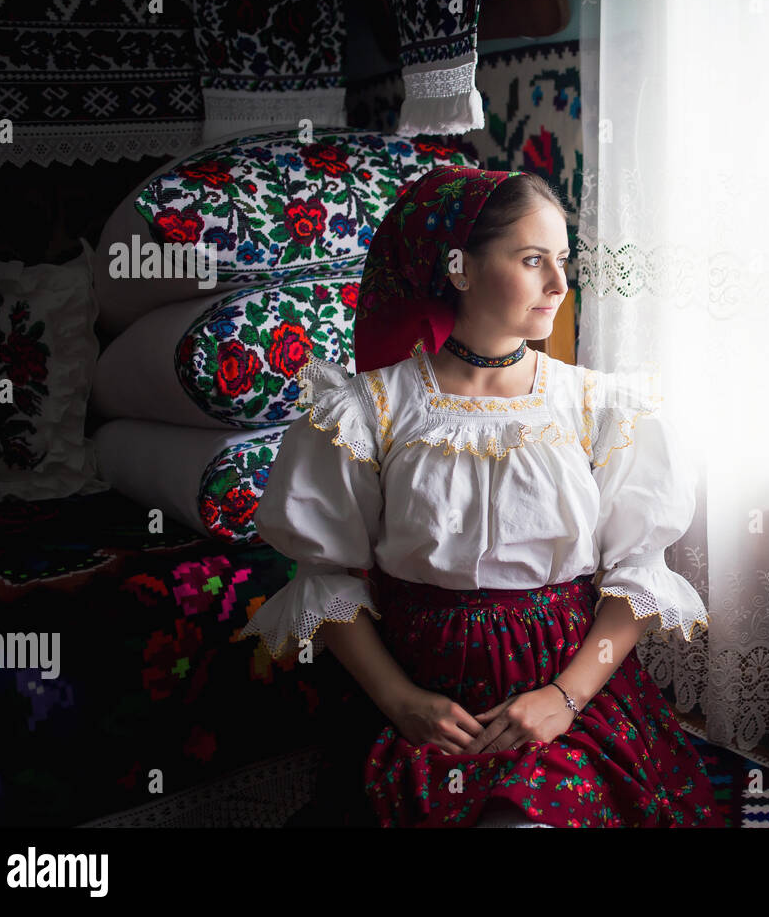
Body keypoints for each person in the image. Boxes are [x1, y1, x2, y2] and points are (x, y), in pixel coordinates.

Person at [239, 164, 723, 827]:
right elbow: (324, 581)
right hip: (427, 699)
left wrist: (563, 698)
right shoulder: (367, 411)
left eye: (561, 260)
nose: (558, 285)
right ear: (460, 269)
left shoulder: (600, 409)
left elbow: (638, 576)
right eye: (532, 261)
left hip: (566, 692)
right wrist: (401, 700)